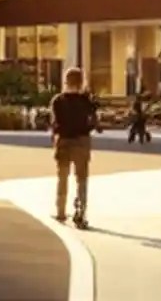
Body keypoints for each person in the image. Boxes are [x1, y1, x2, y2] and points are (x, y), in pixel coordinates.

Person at [50, 67, 101, 228]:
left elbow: (54, 122)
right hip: (81, 141)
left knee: (62, 176)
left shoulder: (58, 100)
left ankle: (60, 211)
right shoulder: (86, 101)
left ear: (65, 81)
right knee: (81, 179)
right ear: (81, 82)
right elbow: (94, 121)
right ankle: (80, 213)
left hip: (63, 140)